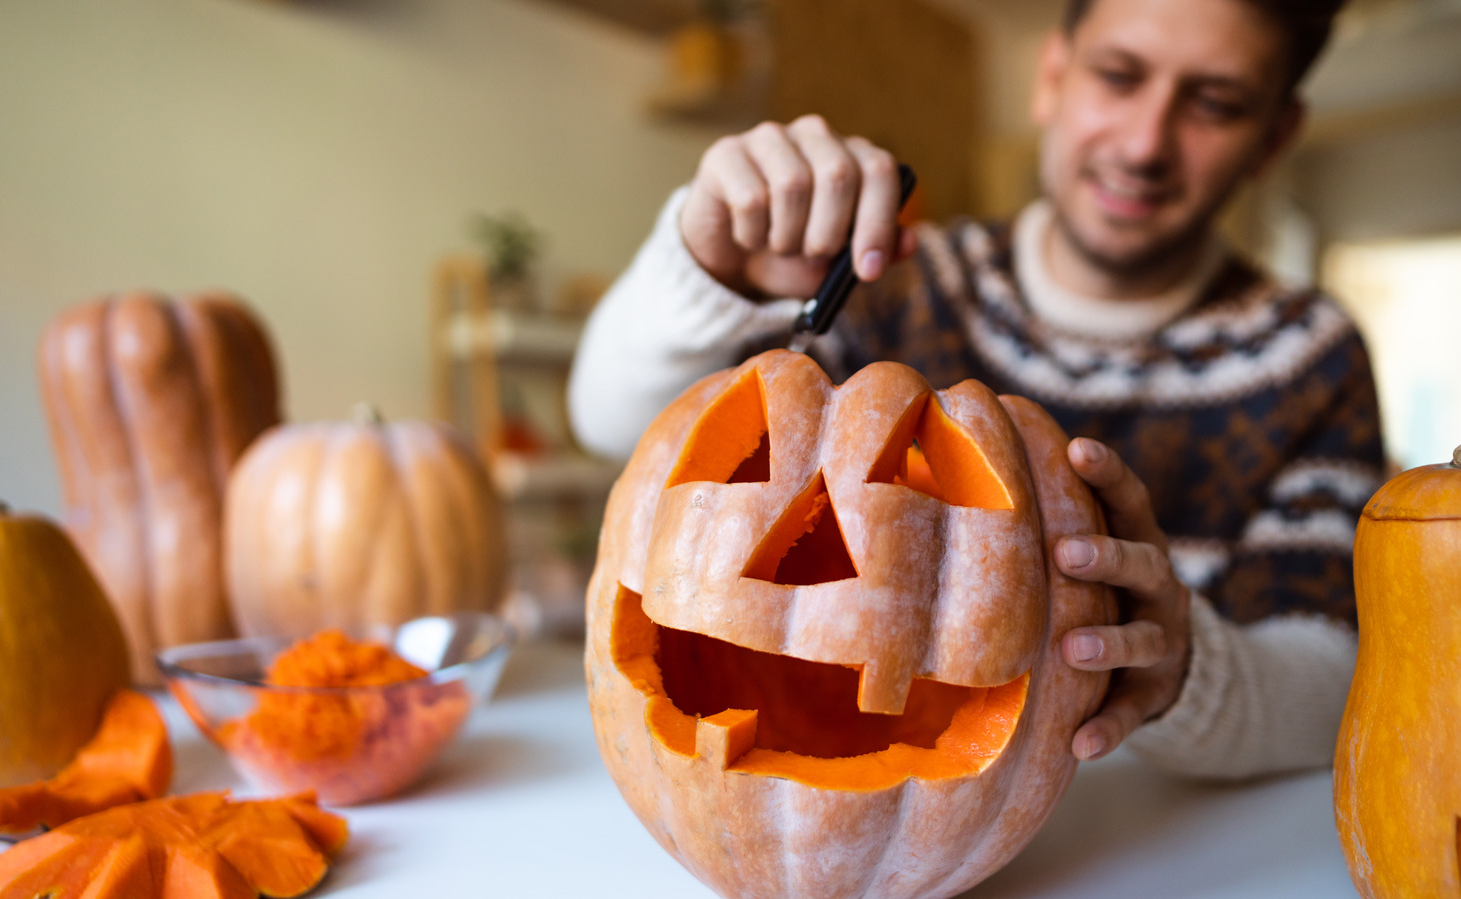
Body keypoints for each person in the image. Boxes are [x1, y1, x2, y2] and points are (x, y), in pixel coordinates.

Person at [569, 0, 1382, 779]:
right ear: (1052, 77)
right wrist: (706, 271)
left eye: (1215, 104)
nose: (1144, 144)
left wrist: (1188, 667)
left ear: (1274, 138)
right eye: (1119, 75)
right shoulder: (886, 283)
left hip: (1180, 830)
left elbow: (1333, 673)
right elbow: (617, 430)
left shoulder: (1309, 356)